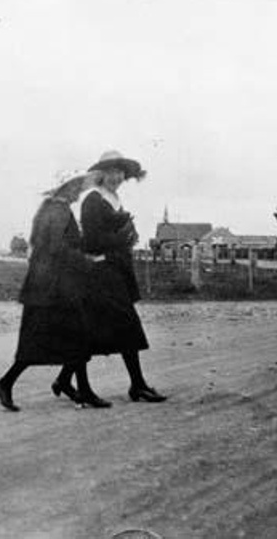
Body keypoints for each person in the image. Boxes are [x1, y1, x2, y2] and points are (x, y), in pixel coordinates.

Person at [0, 171, 111, 411]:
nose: (79, 191)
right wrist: (88, 260)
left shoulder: (49, 208)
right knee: (57, 341)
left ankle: (71, 387)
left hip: (46, 287)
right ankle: (8, 383)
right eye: (75, 187)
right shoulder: (59, 210)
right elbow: (56, 248)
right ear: (64, 189)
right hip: (54, 288)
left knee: (66, 340)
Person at [56, 150, 167, 403]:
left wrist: (130, 234)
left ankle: (69, 380)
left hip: (115, 270)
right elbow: (92, 241)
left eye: (121, 173)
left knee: (108, 329)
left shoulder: (114, 198)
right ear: (100, 174)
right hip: (99, 273)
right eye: (111, 172)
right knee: (119, 325)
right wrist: (123, 237)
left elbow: (116, 232)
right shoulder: (92, 199)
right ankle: (130, 385)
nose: (117, 177)